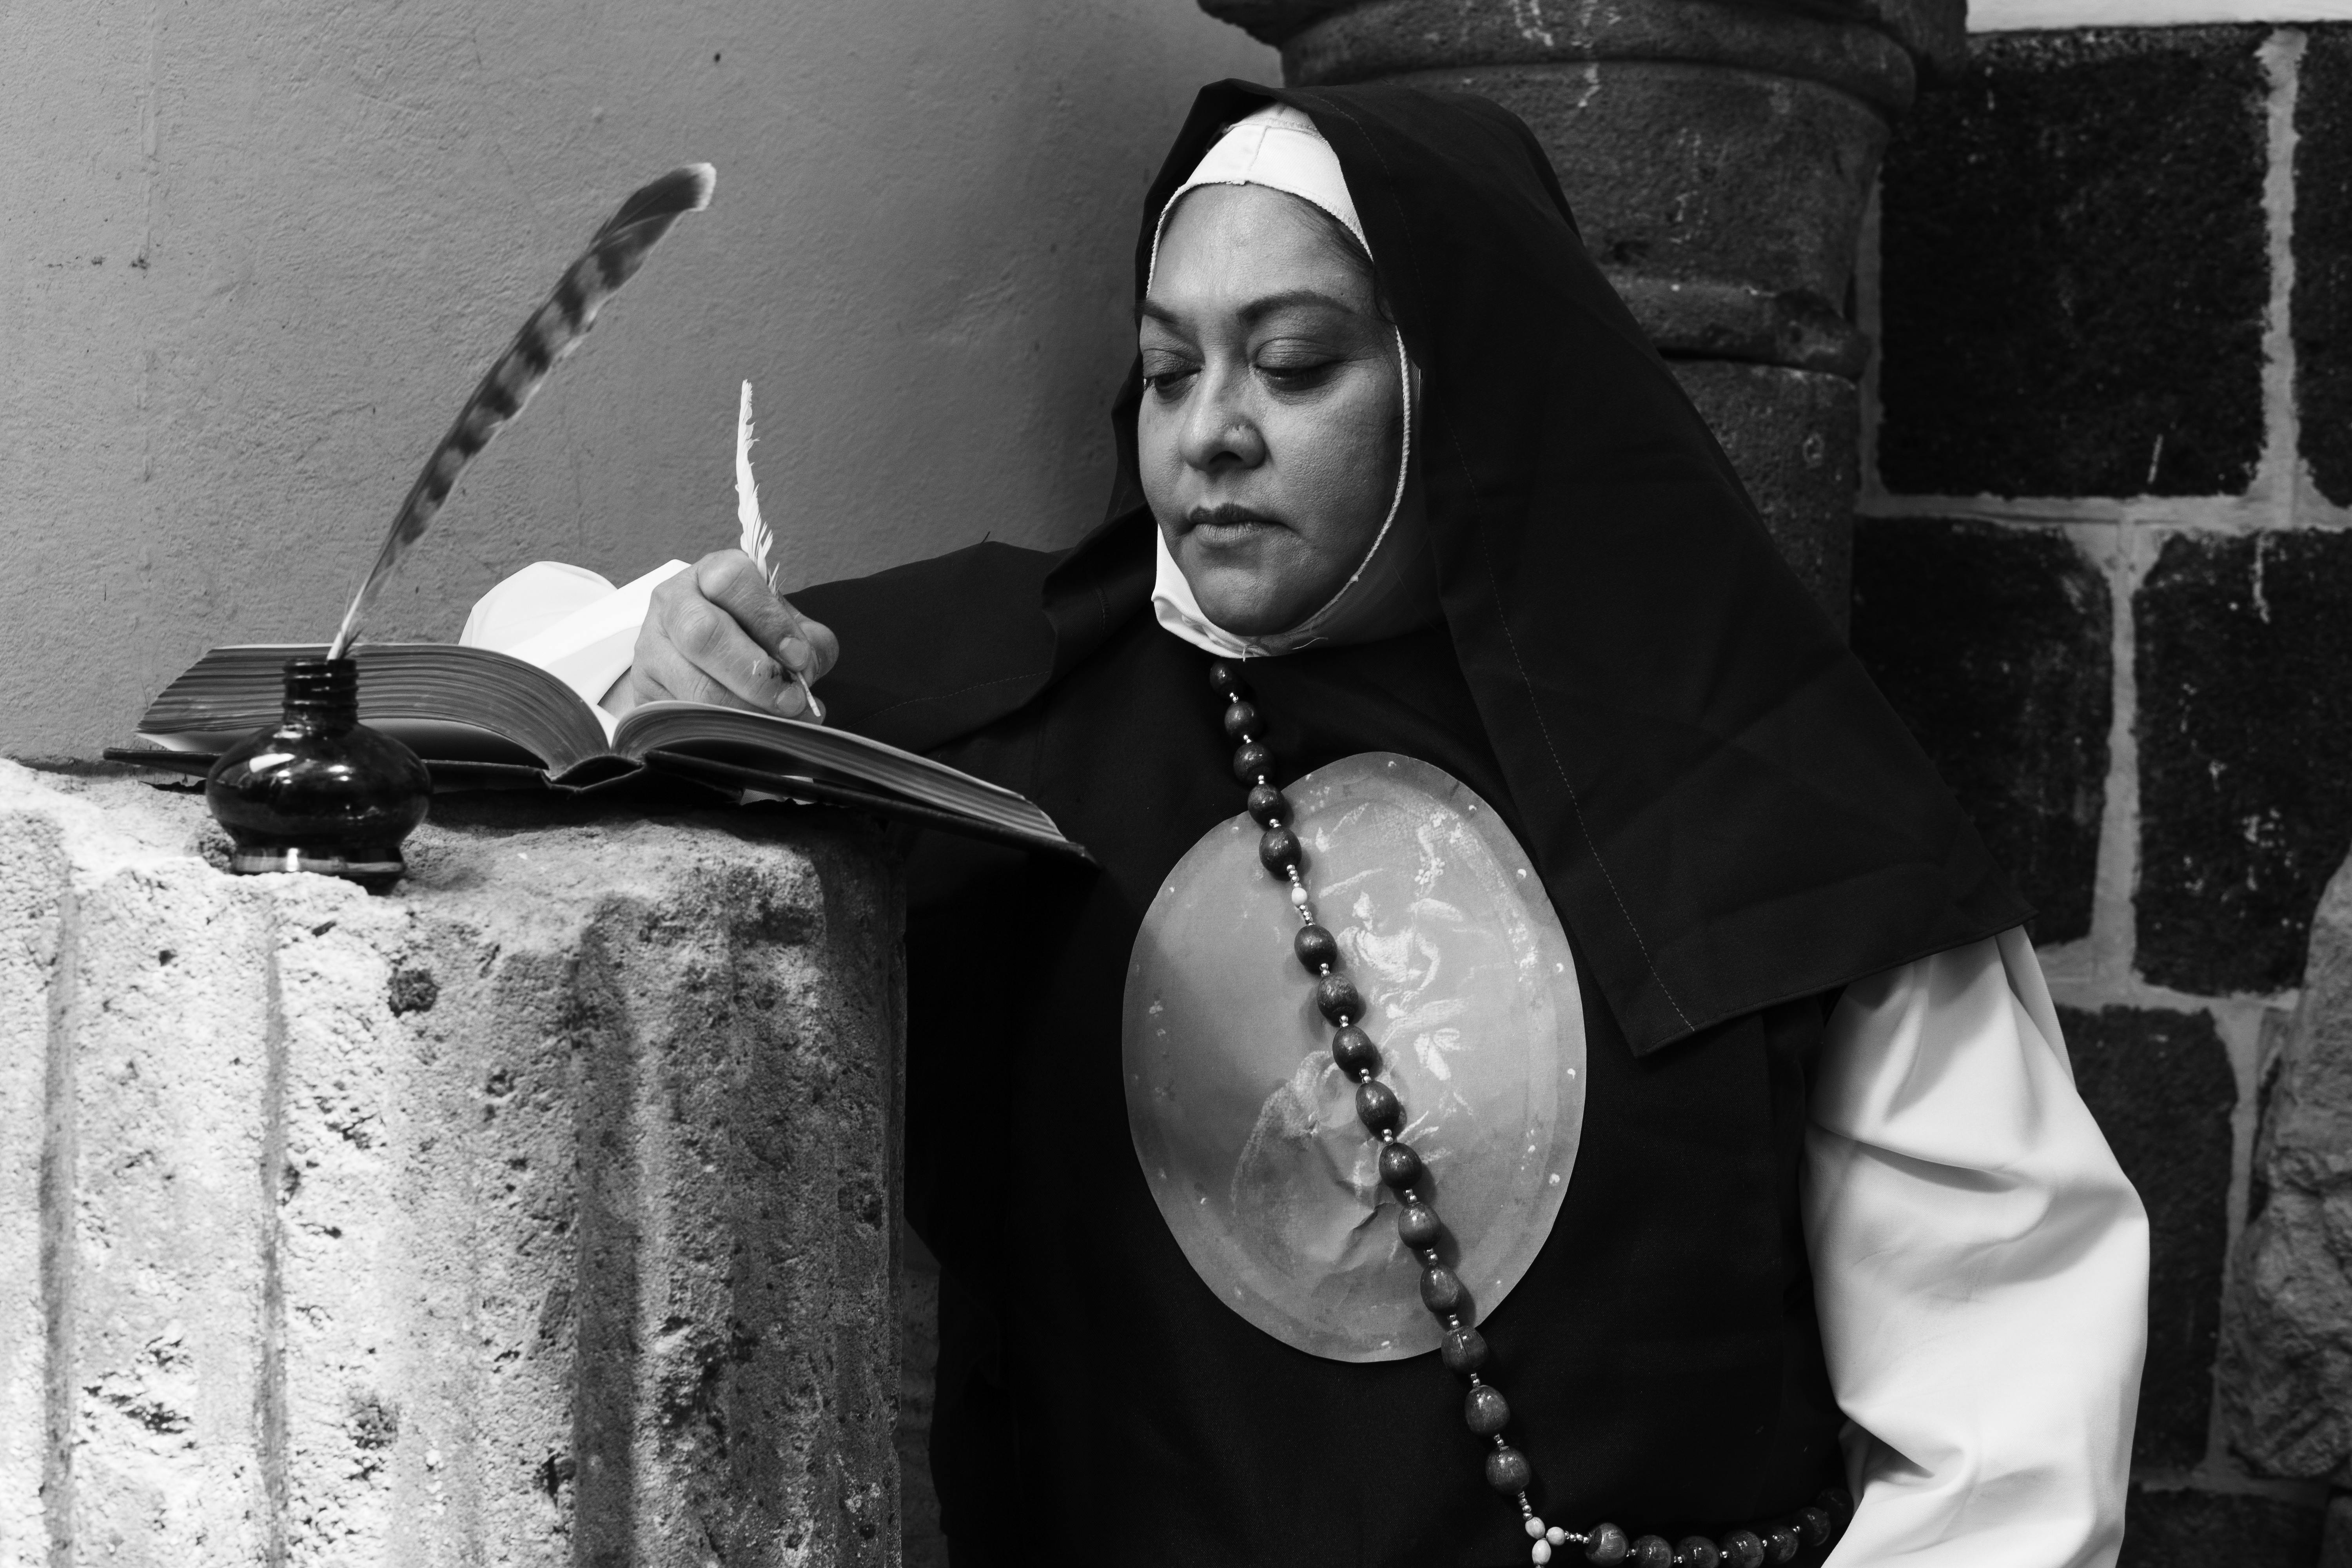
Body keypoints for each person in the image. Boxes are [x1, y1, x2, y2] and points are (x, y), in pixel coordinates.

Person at [488, 82, 2148, 1568]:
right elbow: (518, 659)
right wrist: (673, 664)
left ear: (1459, 383)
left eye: (1293, 364)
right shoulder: (1020, 690)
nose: (1209, 428)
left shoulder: (1756, 782)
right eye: (1164, 368)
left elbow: (2010, 1416)